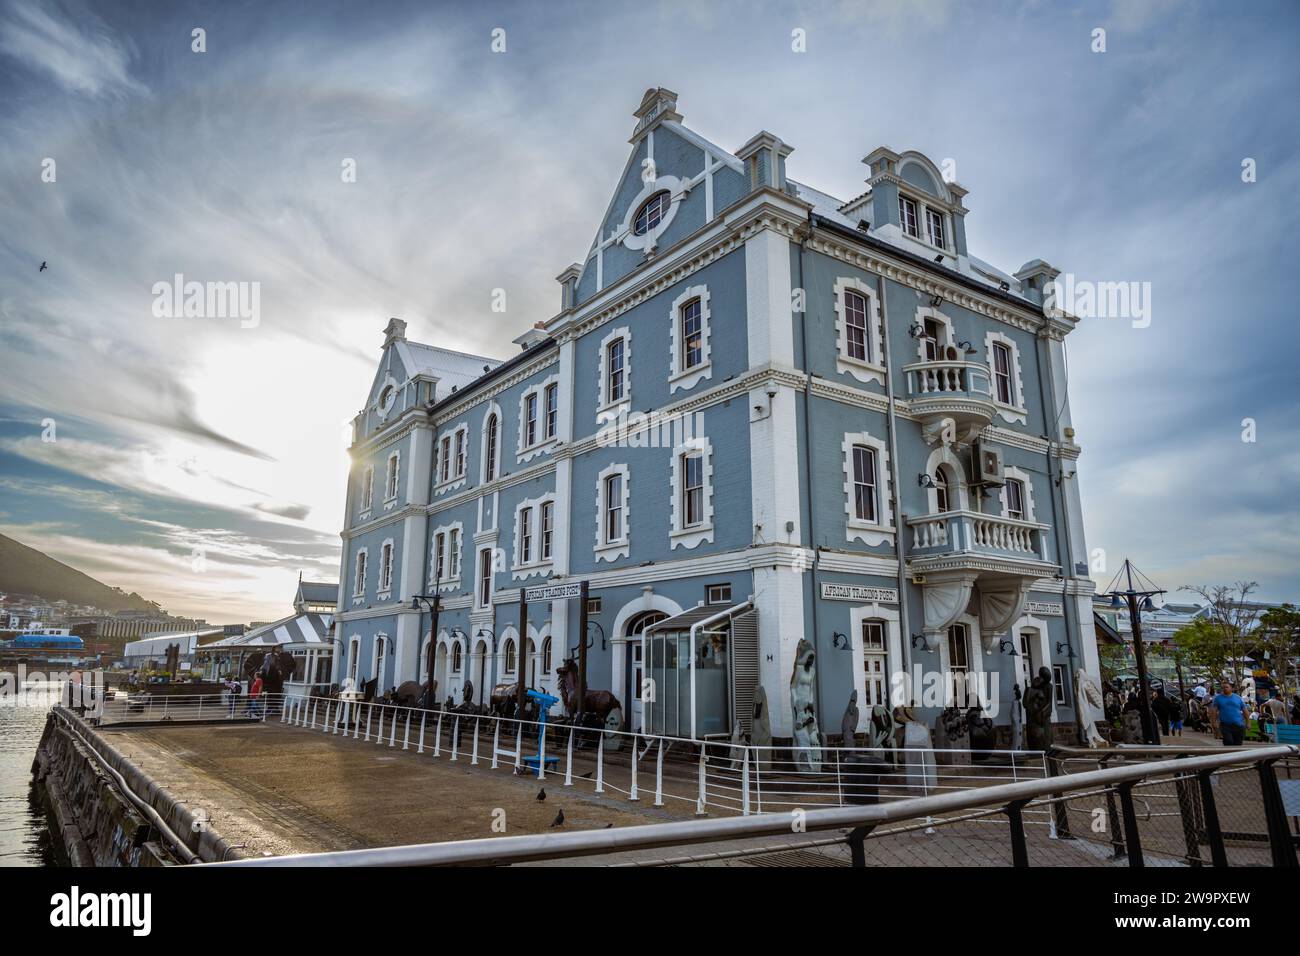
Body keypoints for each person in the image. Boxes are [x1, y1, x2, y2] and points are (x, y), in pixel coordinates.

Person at [1211, 681, 1247, 747]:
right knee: (1228, 741)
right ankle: (1229, 756)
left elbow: (1245, 710)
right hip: (1225, 725)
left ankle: (1237, 757)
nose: (1225, 689)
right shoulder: (1218, 698)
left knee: (1238, 744)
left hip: (1238, 725)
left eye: (1226, 687)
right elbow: (1214, 711)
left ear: (1231, 688)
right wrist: (1213, 722)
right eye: (1223, 687)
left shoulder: (1238, 698)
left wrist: (1248, 722)